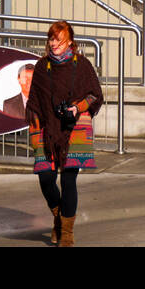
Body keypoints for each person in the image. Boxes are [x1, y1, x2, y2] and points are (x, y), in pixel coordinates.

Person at [27, 21, 103, 247]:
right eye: (51, 39)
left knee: (69, 180)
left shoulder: (82, 65)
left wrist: (77, 107)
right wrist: (36, 130)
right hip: (47, 128)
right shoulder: (42, 66)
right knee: (46, 178)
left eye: (58, 39)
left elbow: (95, 95)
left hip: (77, 126)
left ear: (69, 41)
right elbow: (34, 101)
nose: (53, 44)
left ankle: (67, 235)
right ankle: (58, 219)